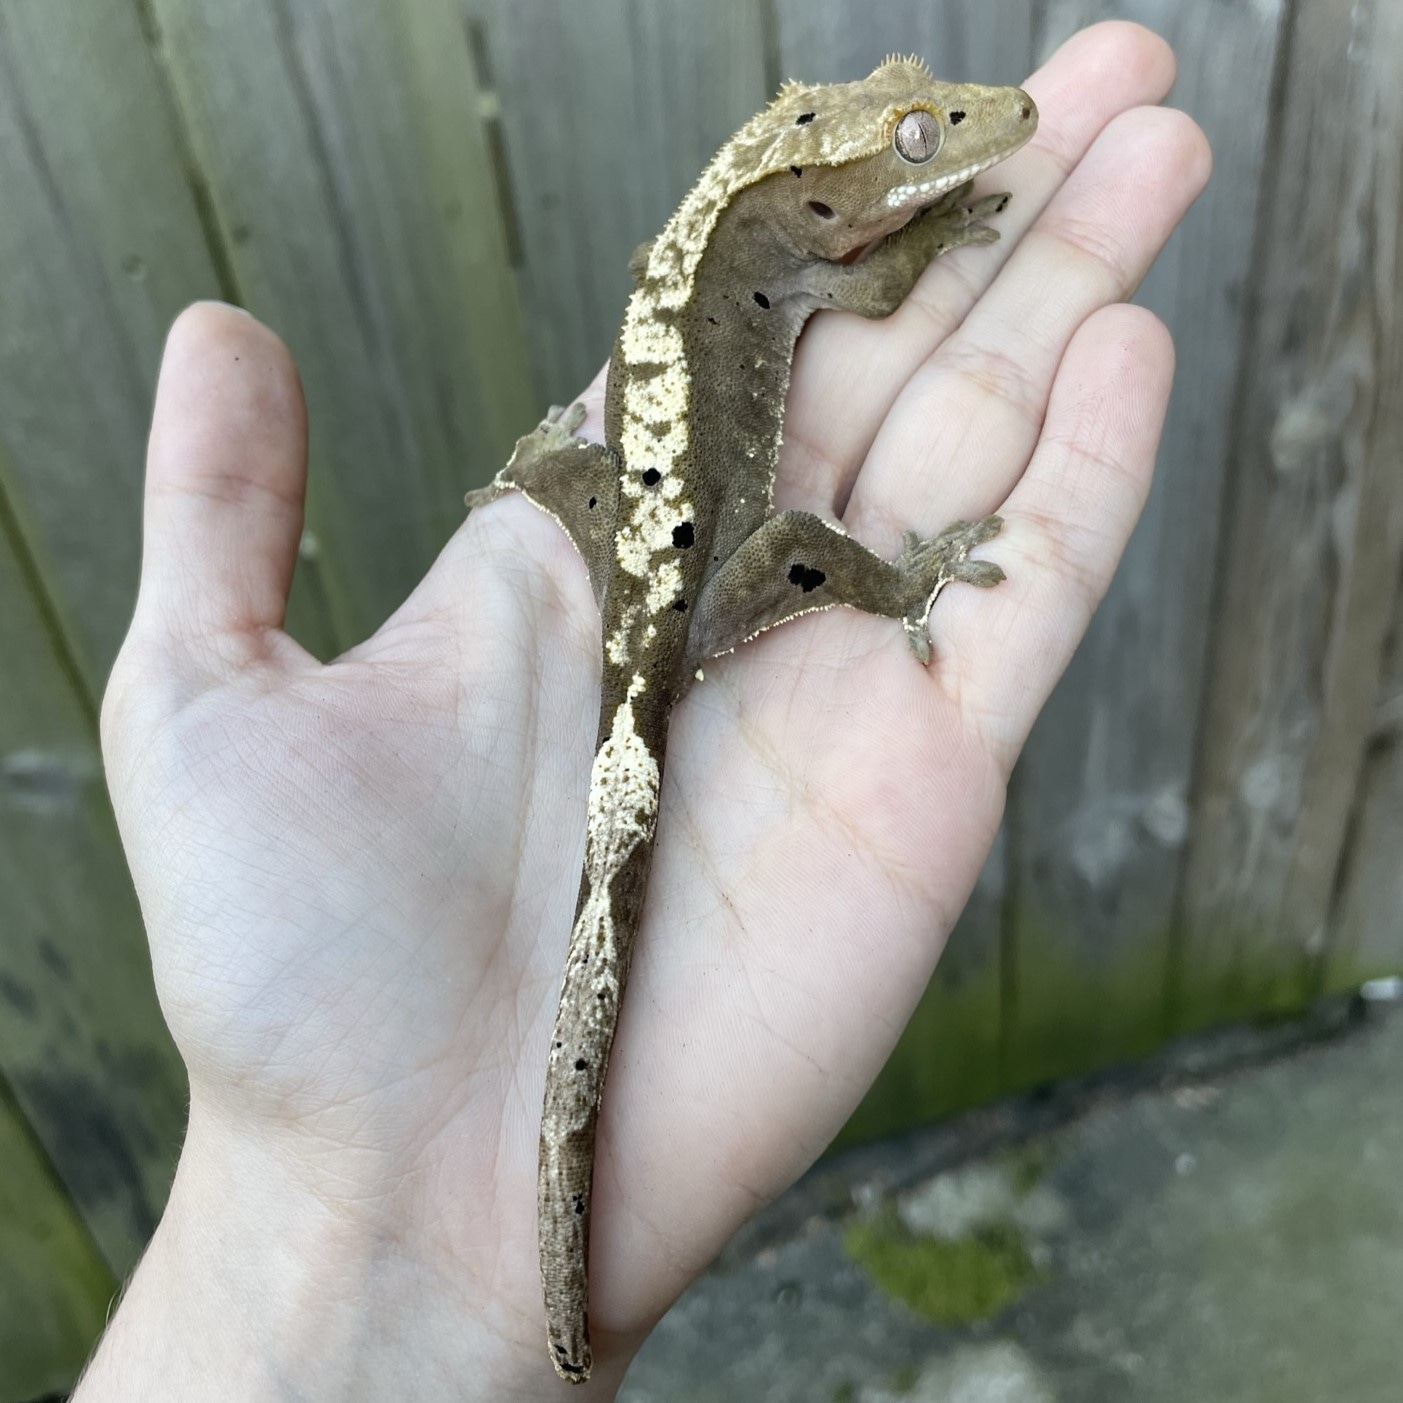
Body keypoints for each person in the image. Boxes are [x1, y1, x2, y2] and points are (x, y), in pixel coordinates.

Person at [73, 21, 1207, 1400]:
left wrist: (566, 460)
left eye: (923, 122)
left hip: (630, 543)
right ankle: (890, 575)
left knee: (634, 559)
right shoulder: (804, 249)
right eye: (913, 139)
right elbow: (879, 281)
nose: (946, 131)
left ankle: (563, 479)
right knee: (792, 544)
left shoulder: (743, 238)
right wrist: (906, 552)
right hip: (690, 603)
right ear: (817, 200)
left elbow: (738, 272)